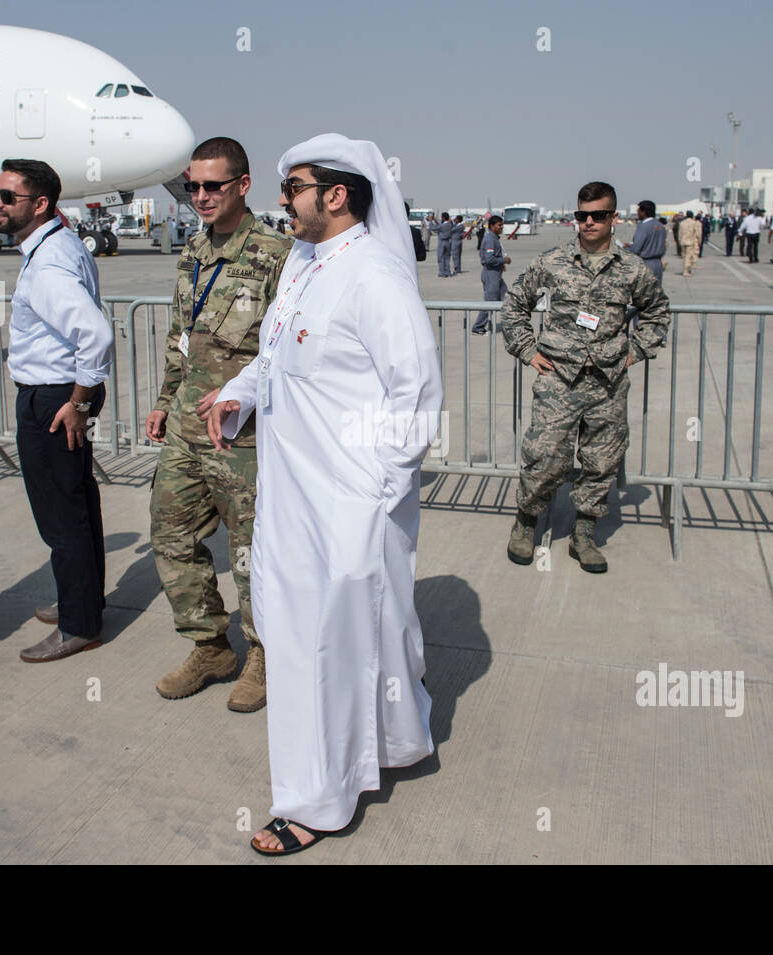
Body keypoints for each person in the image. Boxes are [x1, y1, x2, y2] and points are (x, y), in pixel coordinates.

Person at [207, 134, 442, 856]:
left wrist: (377, 492)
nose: (283, 199)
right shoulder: (305, 267)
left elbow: (418, 391)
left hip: (348, 500)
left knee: (320, 648)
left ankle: (315, 800)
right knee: (343, 637)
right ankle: (394, 743)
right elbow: (275, 356)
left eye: (294, 186)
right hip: (293, 494)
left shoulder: (374, 277)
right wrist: (237, 394)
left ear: (336, 195)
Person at [144, 137, 292, 711]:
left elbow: (284, 351)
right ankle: (209, 645)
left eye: (213, 186)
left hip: (244, 438)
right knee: (171, 534)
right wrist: (164, 399)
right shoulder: (194, 252)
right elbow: (180, 338)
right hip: (185, 427)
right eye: (192, 187)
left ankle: (262, 654)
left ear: (243, 185)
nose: (200, 197)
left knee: (251, 552)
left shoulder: (278, 255)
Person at [500, 181, 671, 573]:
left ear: (614, 218)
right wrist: (528, 350)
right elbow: (514, 304)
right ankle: (526, 521)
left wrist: (635, 351)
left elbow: (658, 312)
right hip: (558, 380)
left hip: (607, 383)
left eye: (597, 215)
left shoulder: (631, 269)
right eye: (582, 215)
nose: (589, 222)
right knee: (543, 457)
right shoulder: (553, 261)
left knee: (600, 461)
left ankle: (584, 532)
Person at [0, 159, 115, 662]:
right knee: (78, 505)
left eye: (7, 197)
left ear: (39, 204)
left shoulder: (47, 263)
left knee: (60, 516)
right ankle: (81, 604)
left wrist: (76, 404)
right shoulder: (59, 243)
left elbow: (96, 334)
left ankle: (77, 626)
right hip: (61, 392)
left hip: (54, 399)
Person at [473, 214, 510, 333]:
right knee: (490, 302)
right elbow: (488, 259)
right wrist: (503, 260)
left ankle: (510, 325)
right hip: (491, 274)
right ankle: (478, 327)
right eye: (499, 225)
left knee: (506, 298)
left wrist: (501, 264)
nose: (501, 227)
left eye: (502, 225)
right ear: (492, 226)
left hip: (497, 274)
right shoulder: (490, 239)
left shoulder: (494, 238)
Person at [627, 200, 667, 284]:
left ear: (643, 211)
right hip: (658, 263)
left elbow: (636, 248)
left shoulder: (643, 226)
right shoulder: (660, 226)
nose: (637, 213)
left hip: (645, 263)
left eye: (638, 210)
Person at [678, 210, 701, 277]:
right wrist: (699, 241)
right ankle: (686, 271)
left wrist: (679, 240)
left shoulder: (682, 223)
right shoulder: (694, 223)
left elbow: (680, 233)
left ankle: (686, 269)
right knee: (689, 257)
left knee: (684, 256)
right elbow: (698, 233)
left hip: (683, 241)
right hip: (690, 241)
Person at [436, 212, 453, 277]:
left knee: (440, 258)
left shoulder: (442, 225)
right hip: (448, 242)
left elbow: (434, 228)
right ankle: (447, 271)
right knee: (447, 258)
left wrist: (431, 221)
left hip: (442, 242)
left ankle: (442, 272)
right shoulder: (449, 225)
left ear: (443, 217)